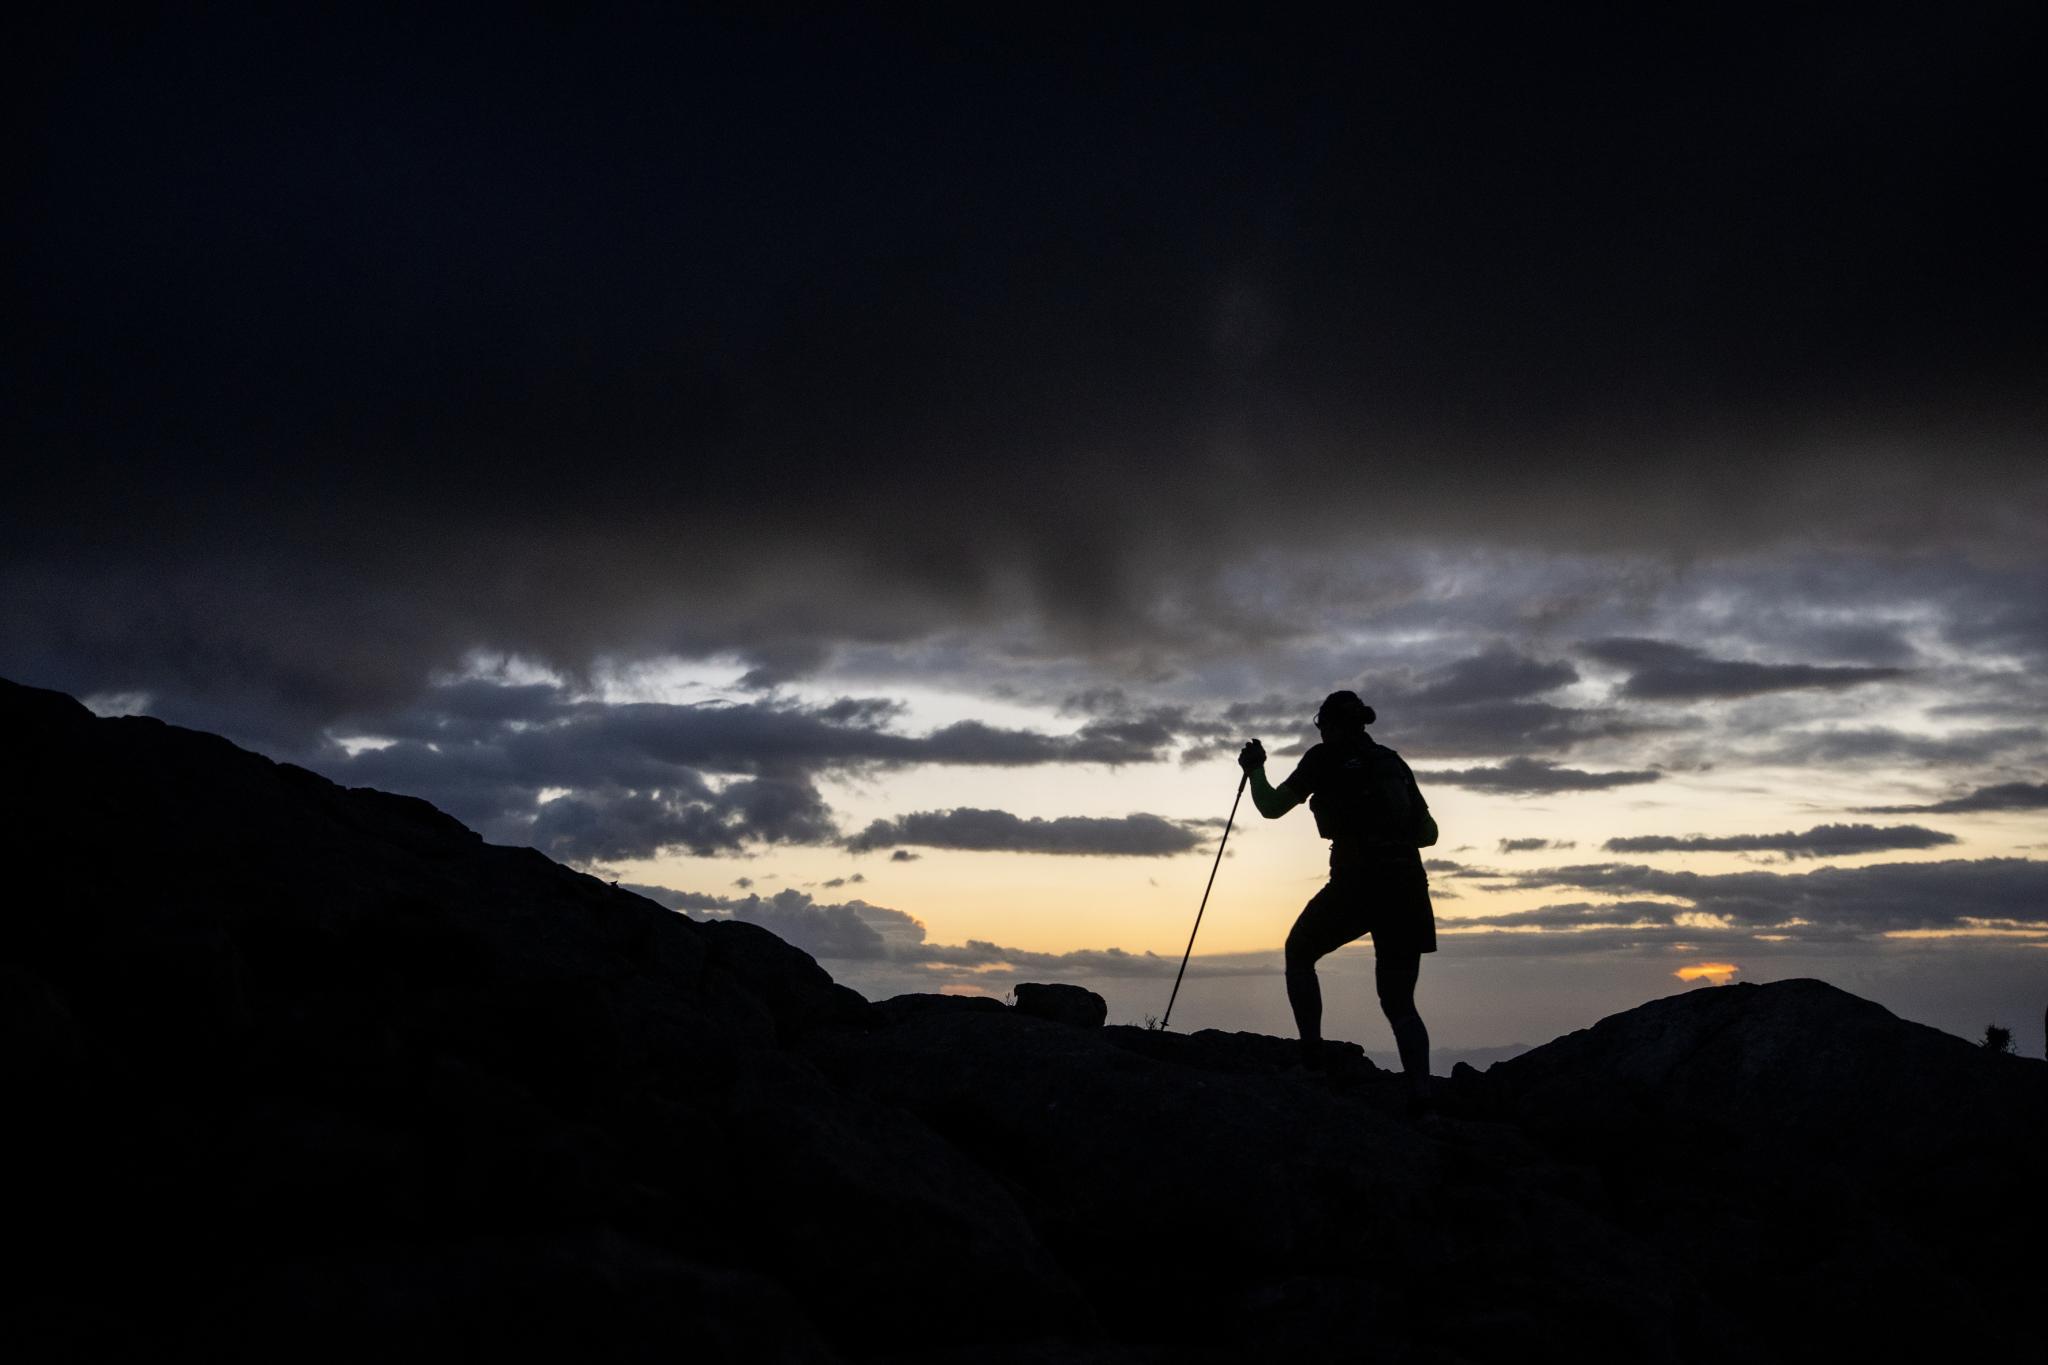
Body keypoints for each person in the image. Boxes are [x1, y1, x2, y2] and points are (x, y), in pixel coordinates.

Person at [1238, 690, 1438, 1107]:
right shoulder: (1392, 762)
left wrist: (1255, 770)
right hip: (1406, 884)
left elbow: (1271, 807)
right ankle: (1423, 1098)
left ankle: (1312, 1063)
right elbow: (1429, 834)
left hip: (1356, 881)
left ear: (1328, 725)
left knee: (1299, 952)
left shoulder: (1323, 759)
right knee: (1400, 1002)